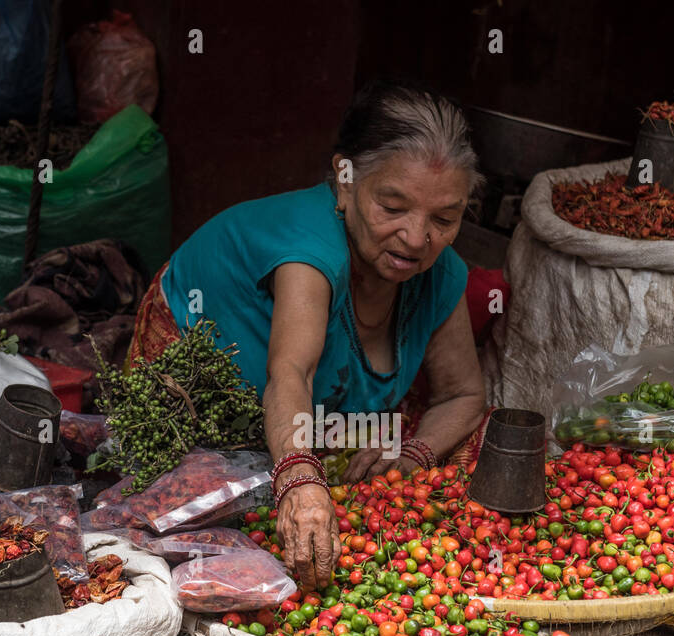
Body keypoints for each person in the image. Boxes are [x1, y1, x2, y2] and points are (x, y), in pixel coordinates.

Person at [128, 83, 488, 589]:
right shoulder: (310, 249)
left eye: (444, 219)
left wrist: (413, 457)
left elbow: (464, 393)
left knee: (489, 438)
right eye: (393, 207)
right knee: (190, 515)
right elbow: (290, 372)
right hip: (221, 407)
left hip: (326, 421)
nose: (415, 238)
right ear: (345, 183)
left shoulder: (440, 272)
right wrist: (299, 481)